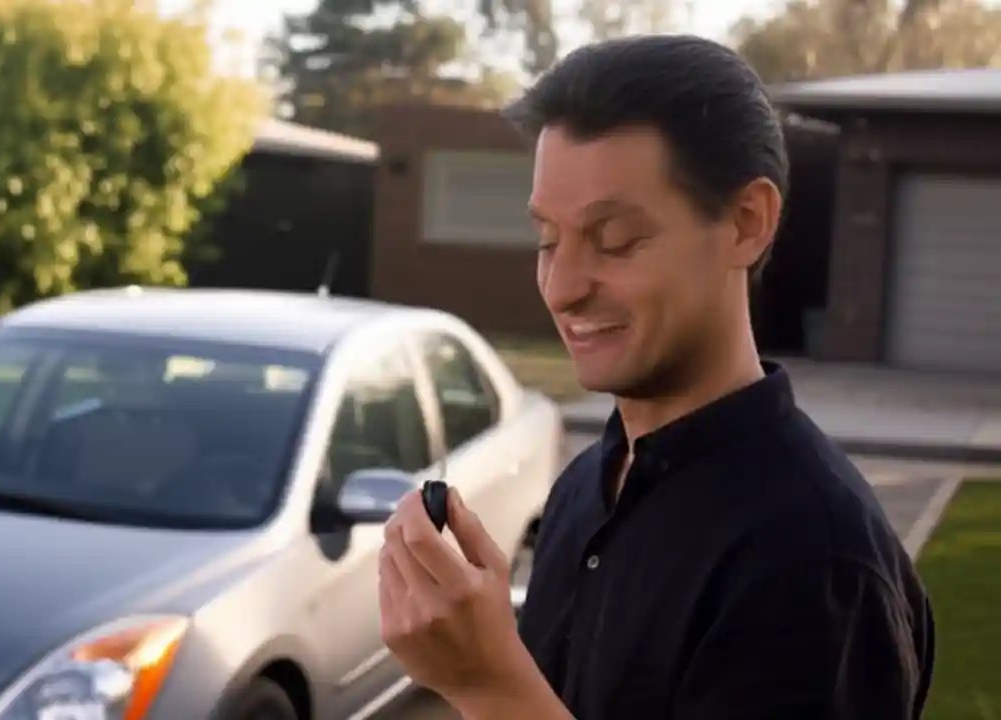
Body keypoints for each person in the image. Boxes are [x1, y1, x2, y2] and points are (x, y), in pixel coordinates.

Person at [377, 34, 935, 720]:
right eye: (549, 240)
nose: (562, 287)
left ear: (746, 223)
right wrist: (491, 648)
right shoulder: (587, 485)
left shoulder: (813, 564)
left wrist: (486, 683)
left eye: (615, 241)